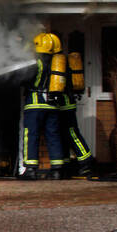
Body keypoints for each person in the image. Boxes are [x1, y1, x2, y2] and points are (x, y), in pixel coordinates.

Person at [21, 31, 66, 180]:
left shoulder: (36, 63)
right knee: (53, 136)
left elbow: (25, 81)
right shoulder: (56, 64)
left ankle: (31, 170)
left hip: (35, 104)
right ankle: (57, 170)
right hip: (53, 105)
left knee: (31, 135)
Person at [59, 48, 95, 178]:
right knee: (65, 135)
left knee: (72, 134)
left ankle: (86, 161)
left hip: (65, 105)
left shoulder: (58, 65)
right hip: (67, 104)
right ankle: (68, 164)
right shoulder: (65, 65)